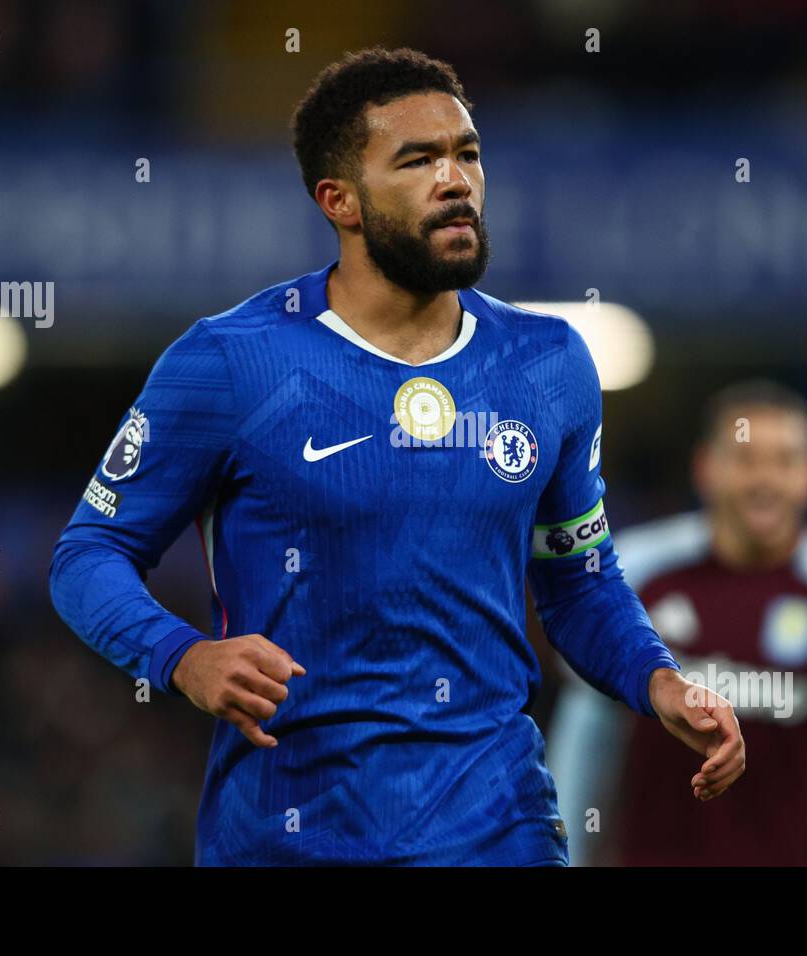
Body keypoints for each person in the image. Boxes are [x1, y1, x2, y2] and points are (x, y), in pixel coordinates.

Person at [48, 47, 744, 866]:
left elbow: (578, 580)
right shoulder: (230, 365)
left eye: (467, 153)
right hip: (288, 833)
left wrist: (658, 681)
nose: (456, 181)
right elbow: (86, 555)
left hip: (498, 829)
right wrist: (183, 657)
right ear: (338, 200)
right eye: (417, 160)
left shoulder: (548, 364)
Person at [547, 380, 807, 866]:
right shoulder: (634, 572)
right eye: (747, 460)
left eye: (785, 461)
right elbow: (587, 737)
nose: (765, 480)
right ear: (705, 468)